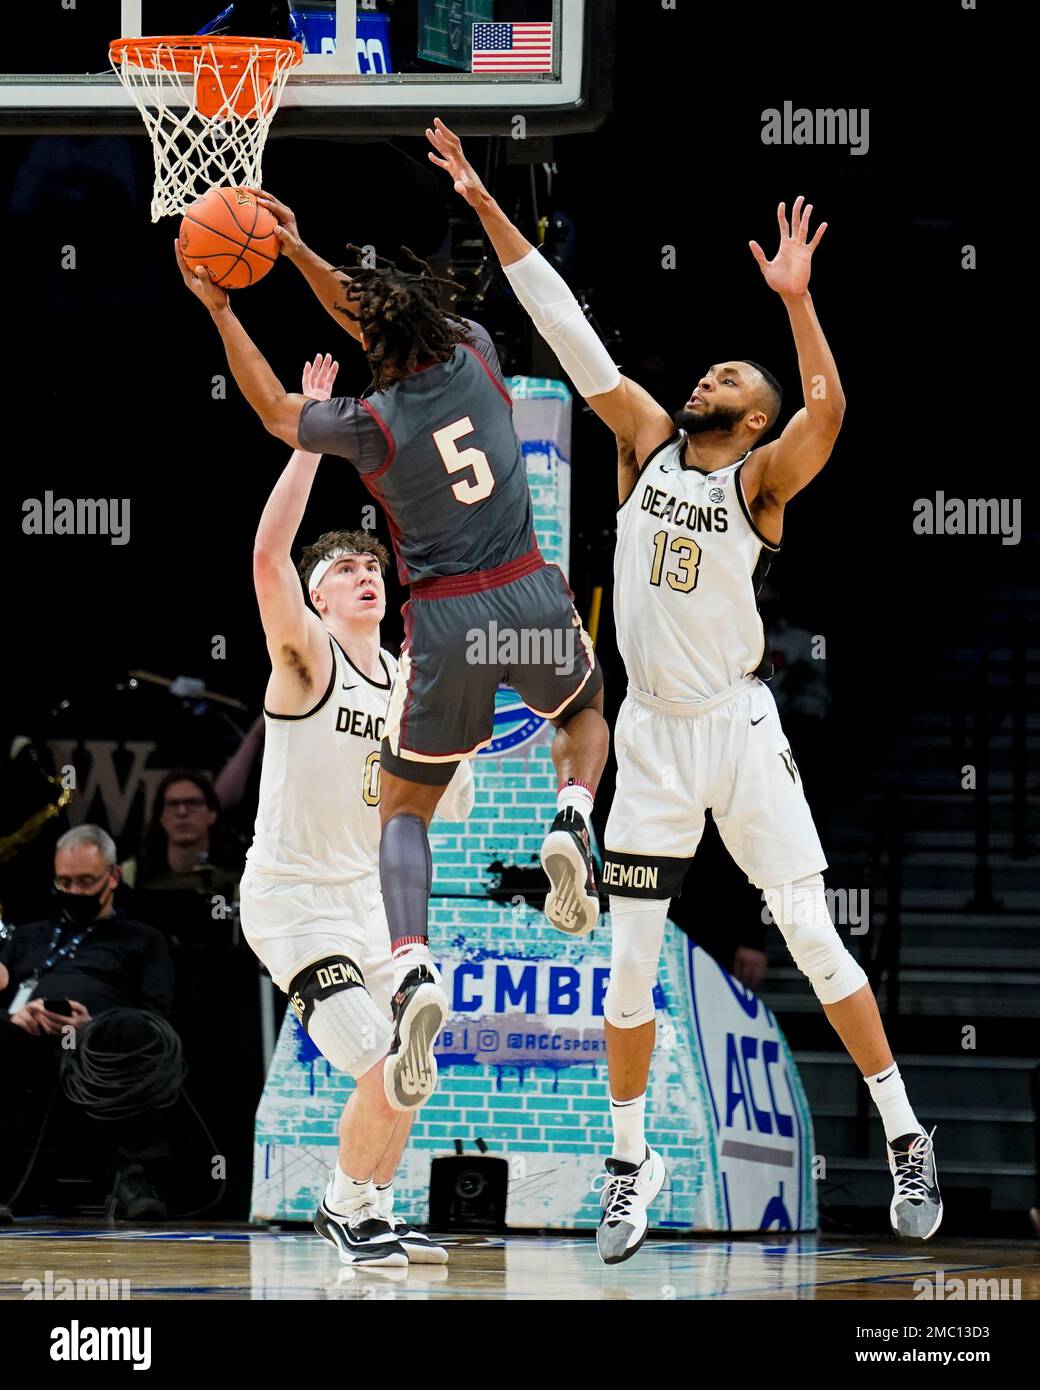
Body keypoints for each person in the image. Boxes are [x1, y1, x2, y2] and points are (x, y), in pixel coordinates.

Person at [426, 118, 942, 1259]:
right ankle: (628, 1163)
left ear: (751, 415)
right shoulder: (644, 440)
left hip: (737, 728)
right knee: (622, 969)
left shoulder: (760, 481)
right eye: (710, 366)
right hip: (651, 736)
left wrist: (797, 303)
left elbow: (831, 414)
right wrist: (482, 201)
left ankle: (904, 1129)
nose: (707, 373)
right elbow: (562, 325)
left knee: (810, 932)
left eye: (730, 374)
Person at [174, 203, 610, 1118]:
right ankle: (573, 813)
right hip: (530, 593)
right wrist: (297, 244)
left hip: (447, 621)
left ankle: (410, 961)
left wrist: (224, 306)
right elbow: (378, 312)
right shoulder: (480, 349)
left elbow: (271, 410)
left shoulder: (372, 421)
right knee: (582, 714)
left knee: (404, 810)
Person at [237, 352, 474, 1265]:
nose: (361, 574)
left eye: (370, 566)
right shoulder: (306, 661)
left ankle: (369, 1211)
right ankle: (345, 1206)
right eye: (342, 567)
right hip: (295, 901)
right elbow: (265, 558)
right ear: (319, 596)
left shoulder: (407, 684)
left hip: (369, 903)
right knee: (380, 1053)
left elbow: (439, 809)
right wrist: (307, 435)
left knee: (418, 1052)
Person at [0, 825, 177, 1222]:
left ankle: (133, 1176)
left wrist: (91, 1023)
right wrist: (15, 1016)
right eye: (64, 882)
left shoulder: (143, 940)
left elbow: (158, 1016)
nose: (74, 892)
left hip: (102, 1045)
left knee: (130, 1030)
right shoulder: (26, 937)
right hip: (24, 1038)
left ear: (112, 877)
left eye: (86, 881)